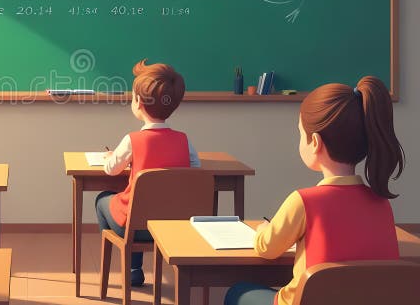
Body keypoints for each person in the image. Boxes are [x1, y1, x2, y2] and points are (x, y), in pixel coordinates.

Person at [224, 76, 405, 305]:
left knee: (237, 292)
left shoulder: (304, 201)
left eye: (301, 133)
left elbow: (266, 248)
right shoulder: (381, 204)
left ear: (315, 143)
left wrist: (264, 229)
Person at [95, 60, 201, 287]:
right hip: (172, 225)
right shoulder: (184, 140)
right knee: (142, 207)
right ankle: (137, 266)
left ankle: (130, 266)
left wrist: (110, 157)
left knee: (102, 199)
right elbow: (195, 170)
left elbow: (111, 169)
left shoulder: (133, 140)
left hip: (135, 227)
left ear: (139, 103)